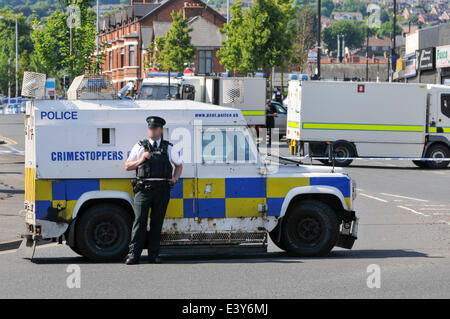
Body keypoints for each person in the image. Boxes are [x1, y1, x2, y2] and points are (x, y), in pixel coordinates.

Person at [124, 116, 183, 265]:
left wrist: (175, 178)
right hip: (143, 189)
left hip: (162, 189)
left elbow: (179, 165)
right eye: (150, 128)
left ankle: (154, 255)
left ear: (161, 130)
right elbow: (127, 166)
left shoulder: (168, 147)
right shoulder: (140, 146)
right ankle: (133, 255)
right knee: (139, 223)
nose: (152, 130)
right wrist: (142, 159)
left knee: (157, 223)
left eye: (155, 128)